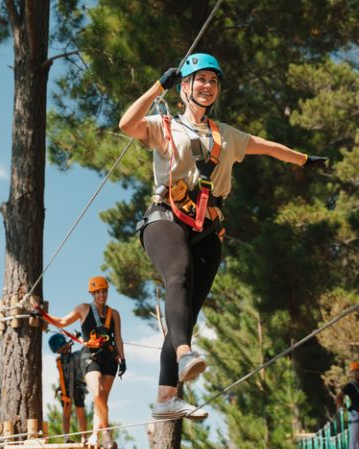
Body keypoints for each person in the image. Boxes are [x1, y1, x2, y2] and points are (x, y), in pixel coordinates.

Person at [119, 53, 328, 420]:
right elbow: (126, 124)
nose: (207, 86)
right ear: (185, 87)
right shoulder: (164, 125)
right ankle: (184, 354)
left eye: (213, 81)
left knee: (188, 309)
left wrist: (304, 160)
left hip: (208, 226)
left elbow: (269, 147)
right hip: (167, 216)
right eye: (200, 79)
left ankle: (165, 398)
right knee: (178, 276)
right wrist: (158, 86)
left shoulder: (226, 135)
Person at [47, 276, 127, 448]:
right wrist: (43, 315)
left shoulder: (114, 314)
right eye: (98, 292)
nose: (102, 295)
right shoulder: (83, 309)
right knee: (97, 393)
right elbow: (62, 321)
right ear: (92, 293)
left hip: (110, 359)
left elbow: (118, 338)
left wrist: (123, 359)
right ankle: (106, 433)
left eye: (104, 291)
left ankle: (94, 436)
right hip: (90, 357)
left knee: (102, 400)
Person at [48, 333, 89, 443]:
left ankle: (66, 437)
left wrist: (70, 340)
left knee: (66, 415)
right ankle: (84, 437)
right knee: (80, 413)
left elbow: (68, 350)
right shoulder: (75, 357)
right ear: (62, 347)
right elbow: (86, 348)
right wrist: (79, 338)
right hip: (76, 388)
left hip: (65, 391)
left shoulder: (59, 360)